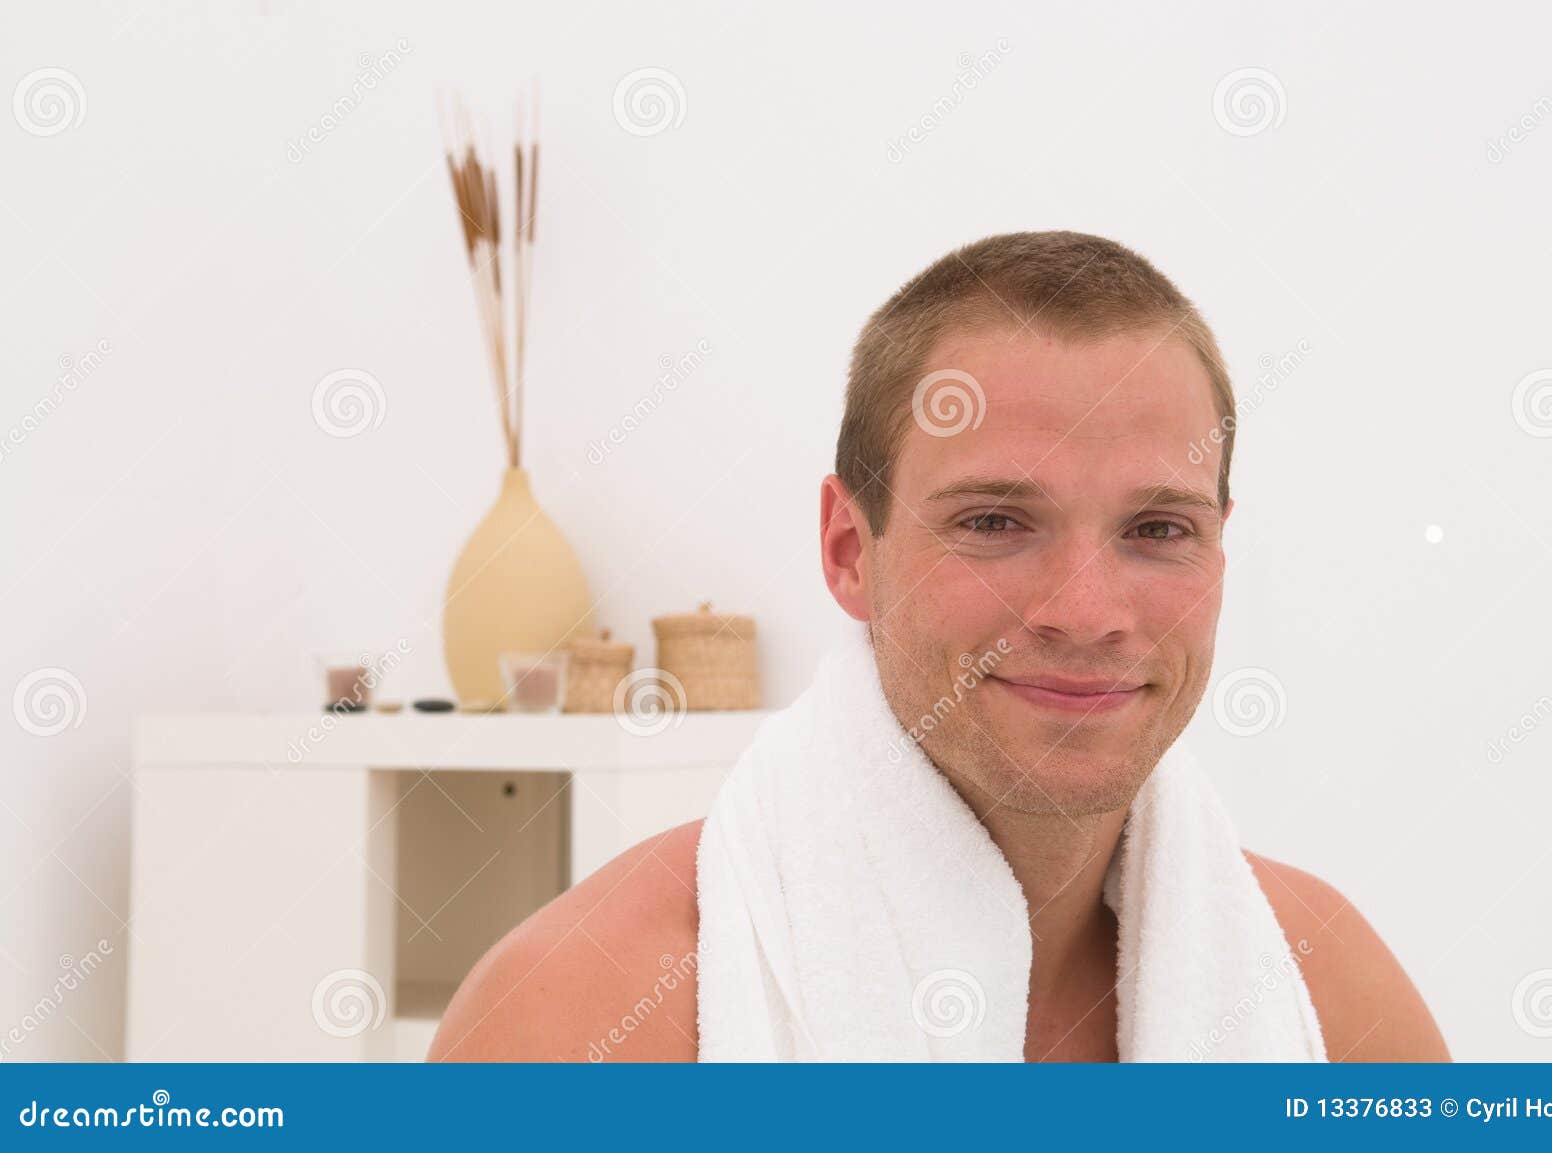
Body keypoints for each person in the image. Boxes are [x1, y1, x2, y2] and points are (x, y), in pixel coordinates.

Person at [429, 231, 1450, 1062]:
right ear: (847, 550)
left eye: (1157, 529)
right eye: (996, 522)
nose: (1086, 611)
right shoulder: (580, 1022)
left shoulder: (1328, 999)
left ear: (1219, 553)